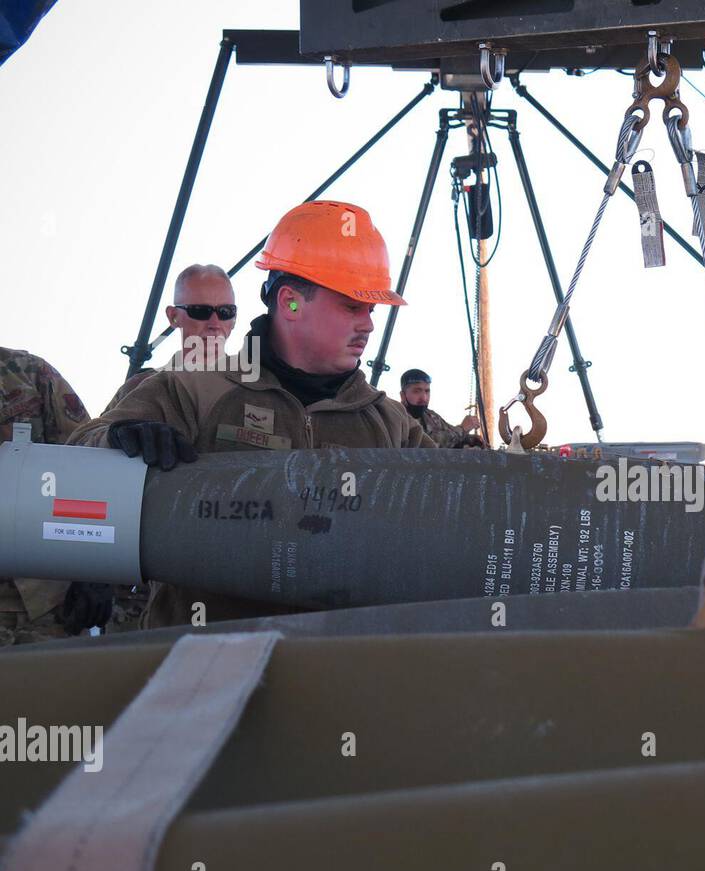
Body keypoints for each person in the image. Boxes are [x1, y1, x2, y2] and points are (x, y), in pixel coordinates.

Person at [69, 200, 439, 628]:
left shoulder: (390, 424)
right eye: (352, 306)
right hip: (200, 664)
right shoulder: (197, 388)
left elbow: (460, 501)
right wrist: (117, 440)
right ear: (291, 303)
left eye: (372, 310)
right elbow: (76, 457)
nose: (369, 325)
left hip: (339, 671)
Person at [0, 348, 110, 645]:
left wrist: (93, 568)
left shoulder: (28, 373)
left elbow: (86, 466)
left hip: (35, 606)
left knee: (53, 689)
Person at [103, 264, 239, 410]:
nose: (215, 323)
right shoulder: (139, 388)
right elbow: (90, 432)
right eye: (200, 311)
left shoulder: (255, 389)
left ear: (234, 319)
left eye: (226, 311)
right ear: (173, 316)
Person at [399, 368, 484, 448]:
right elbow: (429, 443)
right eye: (416, 391)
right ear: (403, 395)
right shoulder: (398, 418)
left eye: (427, 391)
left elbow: (450, 434)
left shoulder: (430, 415)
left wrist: (470, 440)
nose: (424, 398)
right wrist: (463, 429)